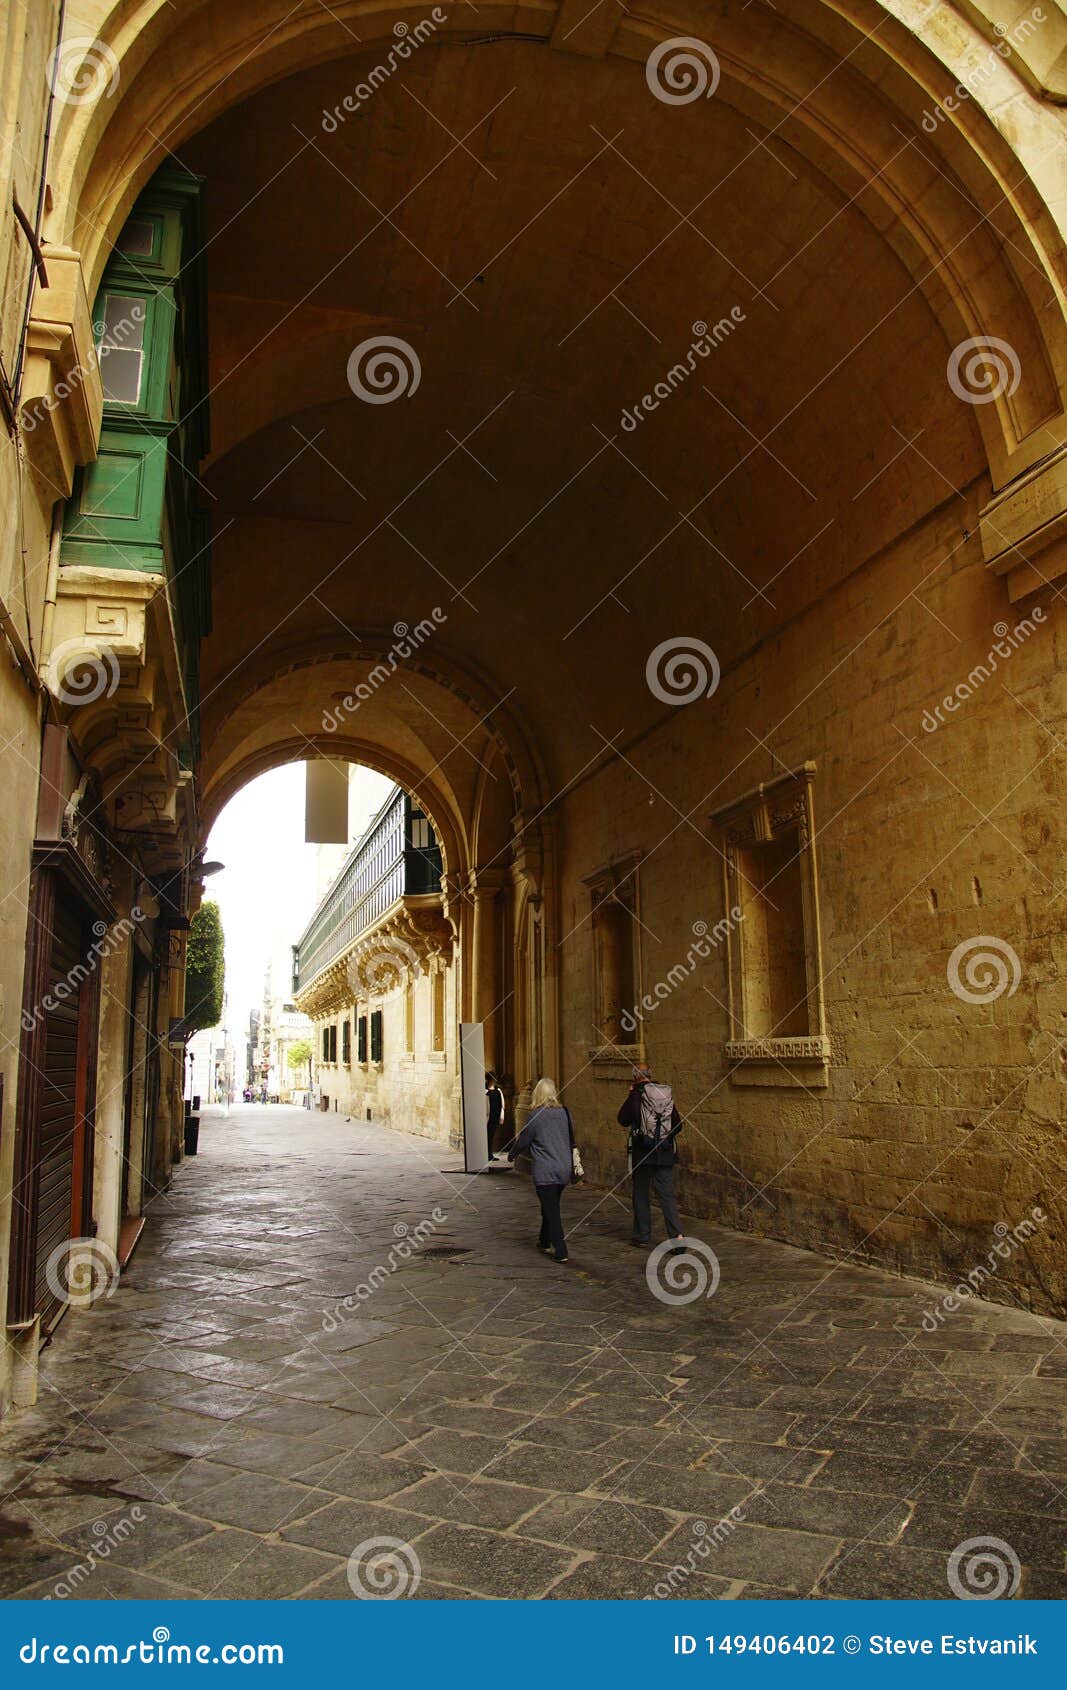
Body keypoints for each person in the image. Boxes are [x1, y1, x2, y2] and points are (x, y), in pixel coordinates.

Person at [507, 1077, 575, 1263]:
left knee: (552, 1209)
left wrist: (512, 1154)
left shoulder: (535, 1116)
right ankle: (544, 1241)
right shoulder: (565, 1113)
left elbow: (524, 1140)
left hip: (545, 1170)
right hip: (563, 1168)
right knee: (550, 1205)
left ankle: (561, 1250)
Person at [618, 1062, 684, 1247]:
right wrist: (662, 1138)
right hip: (664, 1153)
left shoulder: (637, 1095)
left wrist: (631, 1094)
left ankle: (642, 1235)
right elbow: (678, 1124)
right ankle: (677, 1236)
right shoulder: (664, 1093)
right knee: (667, 1196)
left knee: (640, 1193)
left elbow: (622, 1119)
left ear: (635, 1077)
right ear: (650, 1074)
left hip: (642, 1153)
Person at [485, 1072, 505, 1159]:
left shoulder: (498, 1090)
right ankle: (486, 1154)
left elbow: (502, 1104)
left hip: (495, 1116)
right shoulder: (485, 1091)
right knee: (487, 1136)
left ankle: (489, 1154)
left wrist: (501, 1115)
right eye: (494, 1078)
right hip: (488, 1117)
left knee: (491, 1135)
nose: (495, 1080)